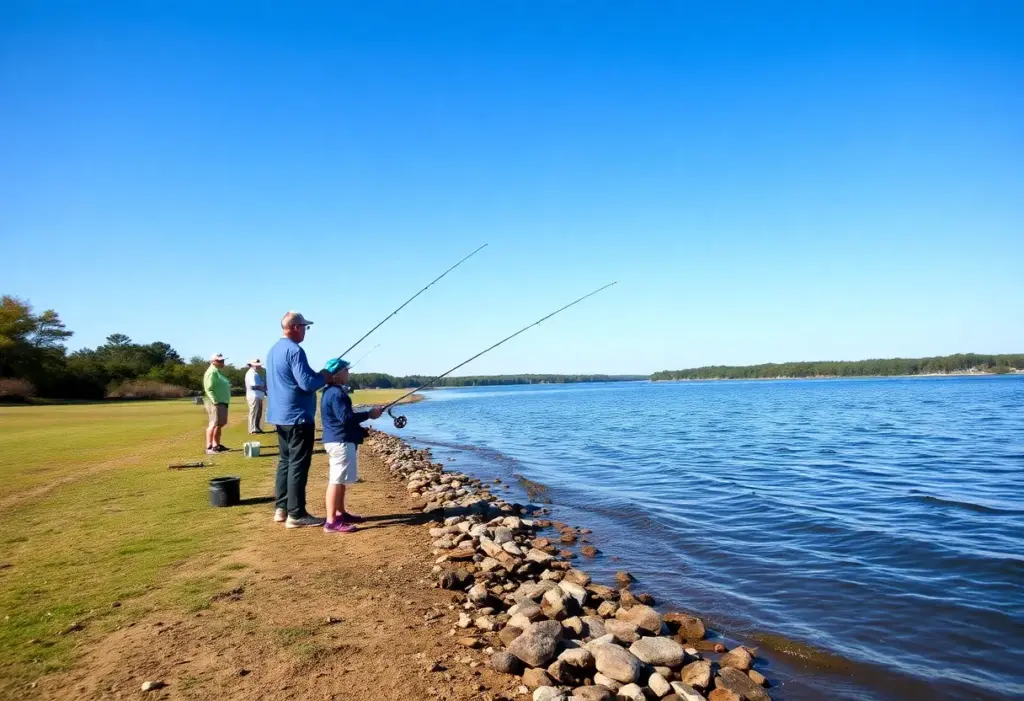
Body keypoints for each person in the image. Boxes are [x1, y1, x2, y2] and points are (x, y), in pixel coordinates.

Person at [266, 311, 337, 528]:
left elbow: (297, 379)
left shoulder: (274, 350)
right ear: (296, 327)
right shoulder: (295, 350)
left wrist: (316, 376)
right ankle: (296, 515)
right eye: (305, 327)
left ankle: (282, 508)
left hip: (280, 416)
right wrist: (324, 376)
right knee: (298, 465)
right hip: (297, 417)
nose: (306, 330)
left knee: (285, 462)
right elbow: (307, 384)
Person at [320, 358, 383, 533]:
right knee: (336, 480)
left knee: (341, 481)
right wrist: (369, 414)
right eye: (346, 370)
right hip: (340, 442)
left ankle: (341, 514)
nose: (349, 372)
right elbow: (346, 418)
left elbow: (342, 419)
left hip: (339, 439)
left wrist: (358, 429)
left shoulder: (330, 392)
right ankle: (331, 522)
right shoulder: (337, 394)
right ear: (338, 374)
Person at [203, 353, 231, 454]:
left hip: (222, 401)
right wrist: (215, 401)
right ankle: (209, 447)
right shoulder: (212, 372)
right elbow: (208, 388)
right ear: (213, 361)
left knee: (220, 424)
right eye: (219, 361)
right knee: (213, 423)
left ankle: (216, 445)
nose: (222, 362)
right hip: (215, 402)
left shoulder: (218, 372)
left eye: (222, 360)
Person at [244, 359, 267, 434]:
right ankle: (252, 429)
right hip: (254, 396)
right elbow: (253, 386)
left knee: (258, 413)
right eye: (257, 364)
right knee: (254, 413)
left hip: (258, 396)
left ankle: (257, 428)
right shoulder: (252, 373)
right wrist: (264, 389)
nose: (259, 366)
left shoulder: (255, 373)